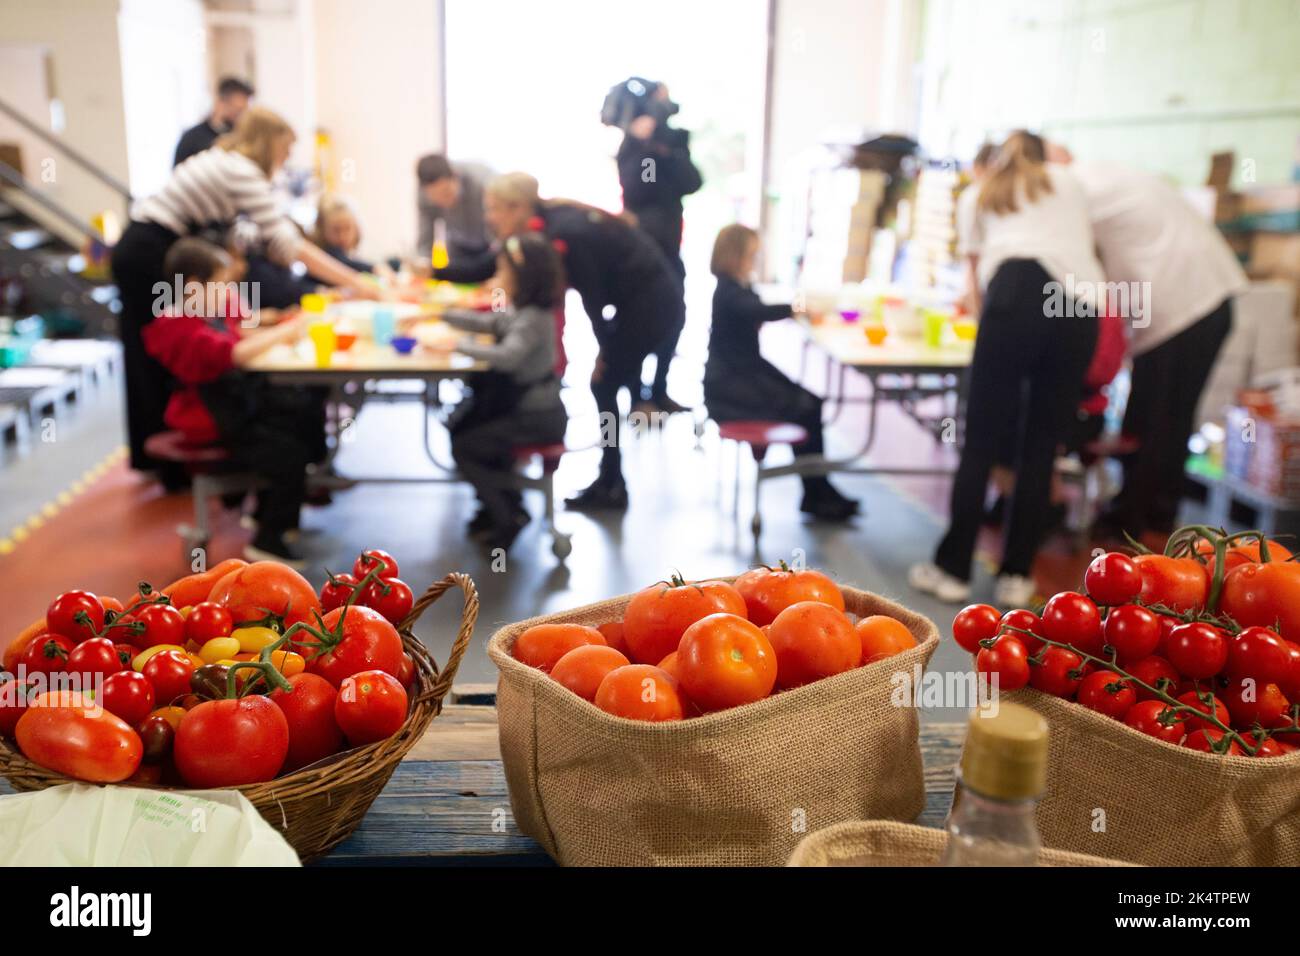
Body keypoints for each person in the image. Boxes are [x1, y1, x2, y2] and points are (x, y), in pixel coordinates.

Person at [111, 107, 376, 482]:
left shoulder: (225, 162)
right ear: (269, 144)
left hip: (150, 243)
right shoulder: (241, 171)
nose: (283, 163)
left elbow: (260, 236)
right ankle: (174, 464)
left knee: (160, 356)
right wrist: (356, 283)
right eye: (284, 152)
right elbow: (287, 243)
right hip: (150, 250)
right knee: (160, 355)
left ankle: (173, 463)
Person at [909, 131, 1103, 607]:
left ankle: (952, 570)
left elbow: (974, 287)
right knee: (1041, 448)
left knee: (980, 445)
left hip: (1015, 294)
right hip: (1077, 309)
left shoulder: (979, 193)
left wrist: (992, 333)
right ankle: (1016, 576)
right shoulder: (1068, 181)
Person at [448, 172, 681, 511]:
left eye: (494, 209)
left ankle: (612, 485)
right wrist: (432, 271)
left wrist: (605, 350)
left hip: (653, 305)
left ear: (518, 208)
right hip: (642, 304)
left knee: (603, 386)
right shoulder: (545, 225)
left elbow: (594, 296)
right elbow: (488, 264)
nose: (489, 217)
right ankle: (612, 480)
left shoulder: (563, 233)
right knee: (608, 386)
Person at [1066, 158, 1248, 541]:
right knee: (1158, 413)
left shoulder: (1074, 190)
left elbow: (1079, 269)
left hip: (1185, 304)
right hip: (1198, 299)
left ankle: (1139, 520)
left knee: (1160, 418)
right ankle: (1143, 511)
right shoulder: (1104, 175)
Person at [141, 238, 315, 565]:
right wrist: (286, 333)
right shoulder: (180, 326)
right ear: (193, 287)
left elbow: (235, 334)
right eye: (222, 286)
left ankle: (265, 513)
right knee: (290, 455)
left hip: (228, 412)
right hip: (210, 420)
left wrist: (278, 324)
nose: (228, 294)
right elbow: (231, 352)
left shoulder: (200, 314)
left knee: (296, 418)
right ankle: (269, 540)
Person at [703, 225, 859, 521]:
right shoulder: (729, 291)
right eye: (751, 254)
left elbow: (755, 309)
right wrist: (798, 307)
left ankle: (818, 488)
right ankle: (816, 491)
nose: (755, 258)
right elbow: (755, 310)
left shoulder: (738, 286)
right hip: (729, 389)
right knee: (806, 406)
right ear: (736, 255)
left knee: (809, 401)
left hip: (741, 375)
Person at [435, 234, 568, 551]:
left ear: (524, 277)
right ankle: (503, 505)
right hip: (526, 412)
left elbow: (508, 357)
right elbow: (490, 322)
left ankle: (507, 514)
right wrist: (441, 315)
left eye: (503, 272)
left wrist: (455, 344)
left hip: (537, 417)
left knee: (466, 446)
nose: (496, 279)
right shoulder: (522, 311)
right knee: (465, 430)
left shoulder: (533, 318)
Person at [605, 78, 702, 413]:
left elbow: (693, 182)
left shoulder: (673, 142)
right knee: (637, 323)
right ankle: (635, 398)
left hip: (670, 250)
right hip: (639, 256)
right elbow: (638, 190)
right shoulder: (633, 148)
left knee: (675, 318)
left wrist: (667, 153)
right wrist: (645, 148)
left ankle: (660, 390)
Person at [416, 154, 493, 263]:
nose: (443, 201)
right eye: (435, 197)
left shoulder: (481, 181)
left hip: (488, 242)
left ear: (455, 177)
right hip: (458, 244)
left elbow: (498, 223)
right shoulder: (423, 195)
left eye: (446, 193)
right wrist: (423, 263)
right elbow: (425, 237)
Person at [173, 77, 254, 167]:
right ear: (221, 103)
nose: (242, 116)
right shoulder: (191, 139)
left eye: (244, 111)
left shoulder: (242, 138)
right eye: (238, 110)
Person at [312, 194, 378, 276]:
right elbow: (345, 262)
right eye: (336, 230)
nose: (342, 237)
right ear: (323, 231)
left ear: (356, 229)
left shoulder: (349, 254)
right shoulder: (325, 254)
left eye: (348, 228)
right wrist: (374, 268)